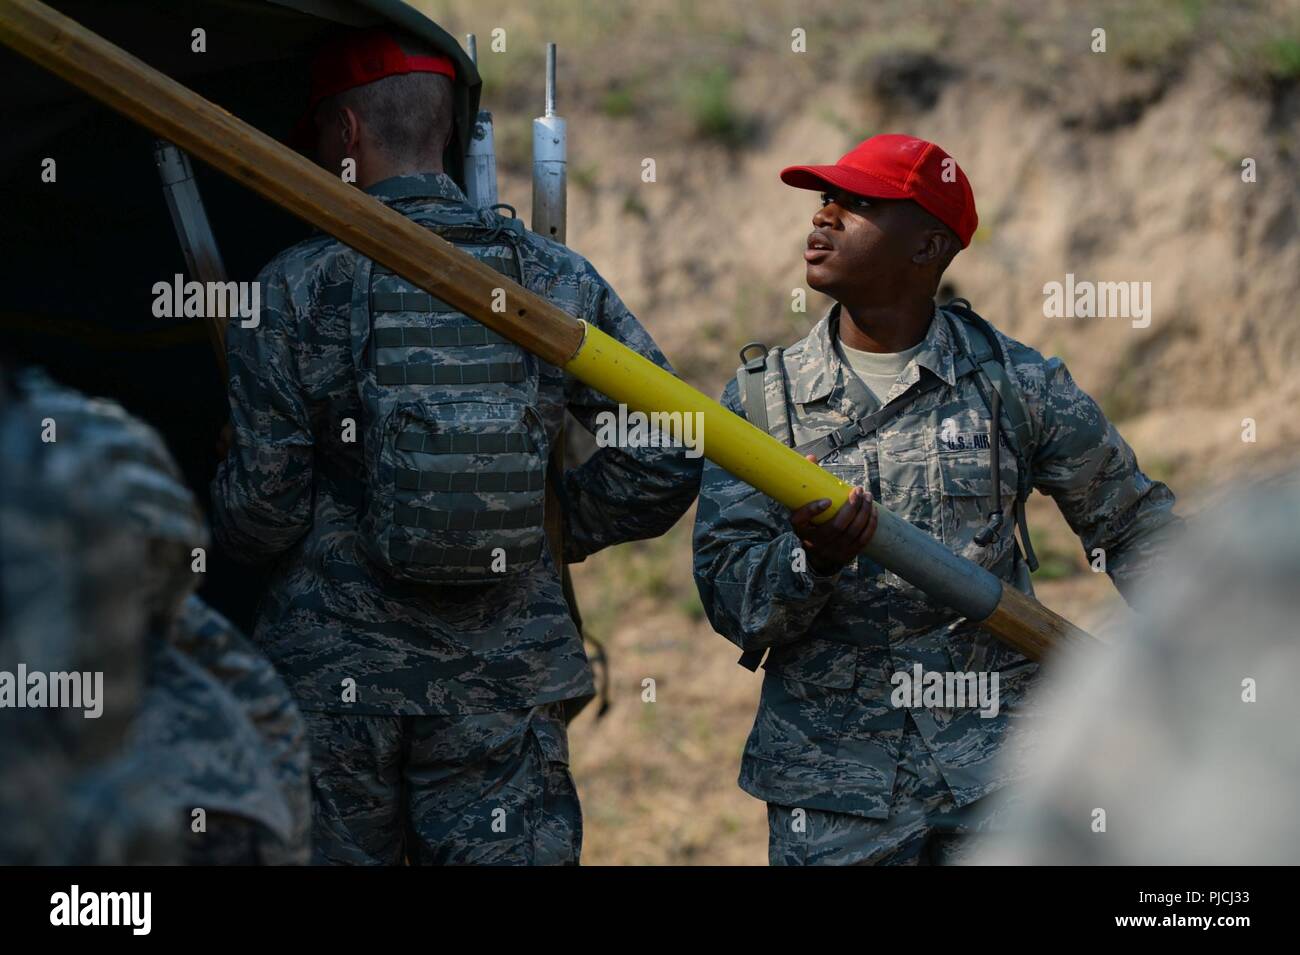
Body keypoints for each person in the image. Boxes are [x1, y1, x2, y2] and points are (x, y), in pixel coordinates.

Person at [211, 28, 701, 865]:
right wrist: (546, 522)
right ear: (444, 132)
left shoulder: (293, 283)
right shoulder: (550, 276)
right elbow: (671, 442)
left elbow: (262, 510)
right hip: (503, 682)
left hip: (337, 681)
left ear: (347, 136)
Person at [692, 134, 1182, 865]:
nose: (823, 217)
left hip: (1003, 777)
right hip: (834, 791)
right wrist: (810, 561)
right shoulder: (763, 400)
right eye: (824, 200)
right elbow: (732, 598)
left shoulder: (1017, 384)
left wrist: (1218, 657)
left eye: (855, 205)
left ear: (927, 247)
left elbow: (1137, 528)